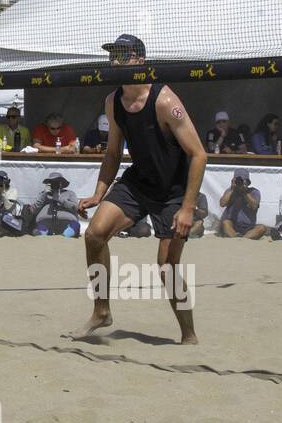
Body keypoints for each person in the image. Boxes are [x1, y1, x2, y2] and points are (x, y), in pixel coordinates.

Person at [73, 34, 206, 344]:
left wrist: (187, 208)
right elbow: (113, 153)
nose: (114, 62)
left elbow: (199, 154)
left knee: (166, 267)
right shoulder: (113, 101)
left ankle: (189, 334)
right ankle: (102, 311)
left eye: (121, 55)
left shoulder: (165, 101)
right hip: (138, 182)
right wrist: (98, 193)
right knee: (94, 234)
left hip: (173, 189)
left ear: (139, 60)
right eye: (112, 56)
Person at [30, 172, 82, 236]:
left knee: (74, 226)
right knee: (40, 227)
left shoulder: (70, 193)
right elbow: (34, 210)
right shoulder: (43, 194)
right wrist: (44, 195)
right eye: (51, 182)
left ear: (62, 183)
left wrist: (60, 200)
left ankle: (68, 233)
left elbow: (76, 208)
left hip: (67, 222)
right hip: (46, 221)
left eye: (57, 182)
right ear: (48, 184)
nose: (54, 184)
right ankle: (42, 232)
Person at [219, 168, 264, 239]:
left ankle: (242, 239)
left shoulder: (254, 192)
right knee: (226, 223)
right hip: (233, 225)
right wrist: (232, 189)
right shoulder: (230, 191)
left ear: (247, 182)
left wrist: (244, 192)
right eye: (238, 180)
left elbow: (254, 206)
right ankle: (236, 238)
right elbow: (222, 204)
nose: (240, 182)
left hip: (249, 226)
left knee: (261, 228)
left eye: (242, 180)